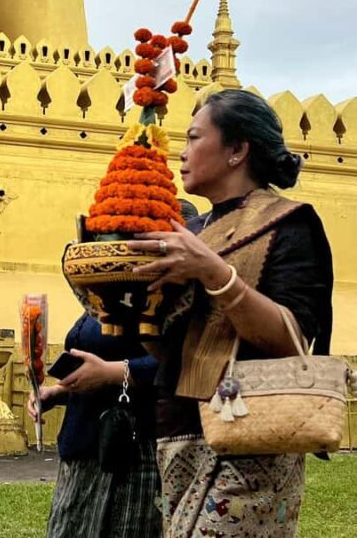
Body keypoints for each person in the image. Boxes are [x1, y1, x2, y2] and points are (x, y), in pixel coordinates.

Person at [128, 89, 333, 537]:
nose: (180, 154)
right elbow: (169, 350)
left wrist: (214, 272)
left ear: (238, 150)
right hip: (179, 428)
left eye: (194, 138)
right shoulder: (191, 231)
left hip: (251, 432)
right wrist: (127, 303)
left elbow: (293, 337)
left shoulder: (289, 223)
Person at [28, 312, 162, 537]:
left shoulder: (157, 295)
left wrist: (111, 373)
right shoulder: (95, 295)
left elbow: (180, 360)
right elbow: (94, 369)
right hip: (81, 448)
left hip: (127, 450)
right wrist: (58, 392)